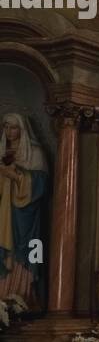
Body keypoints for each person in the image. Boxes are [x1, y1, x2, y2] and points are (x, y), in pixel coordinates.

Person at [0, 111, 49, 307]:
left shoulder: (34, 153)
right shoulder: (1, 150)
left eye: (13, 127)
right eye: (5, 126)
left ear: (21, 129)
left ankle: (23, 295)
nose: (9, 131)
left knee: (30, 251)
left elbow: (42, 184)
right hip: (2, 213)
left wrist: (16, 176)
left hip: (25, 216)